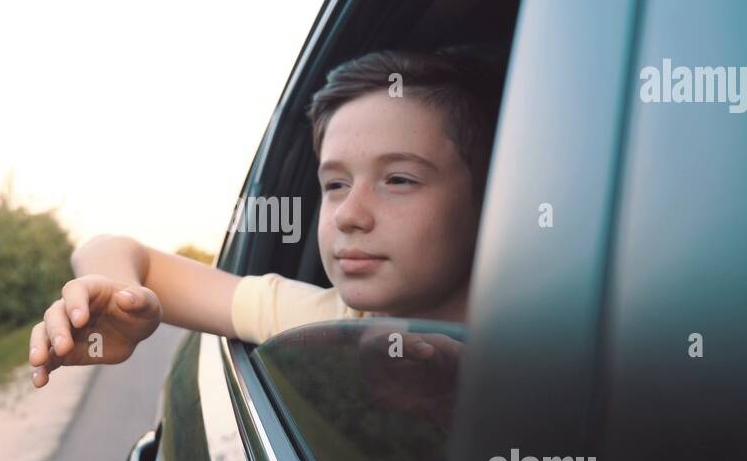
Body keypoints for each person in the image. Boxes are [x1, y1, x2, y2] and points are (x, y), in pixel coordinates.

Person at [28, 49, 502, 391]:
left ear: (491, 200)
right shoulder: (330, 320)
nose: (349, 215)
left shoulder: (557, 351)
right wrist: (120, 298)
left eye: (398, 179)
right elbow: (111, 247)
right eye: (335, 184)